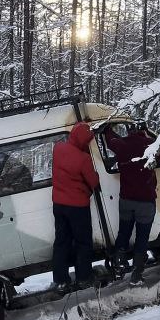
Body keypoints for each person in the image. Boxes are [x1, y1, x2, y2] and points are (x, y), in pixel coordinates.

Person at [103, 122, 158, 284]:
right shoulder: (150, 145)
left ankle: (119, 266)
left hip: (126, 200)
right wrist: (149, 134)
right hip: (146, 202)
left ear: (129, 131)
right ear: (143, 131)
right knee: (142, 238)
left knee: (123, 233)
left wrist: (107, 130)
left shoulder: (122, 145)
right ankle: (136, 274)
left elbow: (110, 141)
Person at [51, 121, 100, 291]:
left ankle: (61, 280)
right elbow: (93, 181)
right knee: (83, 242)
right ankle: (84, 277)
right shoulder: (83, 159)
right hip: (78, 207)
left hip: (58, 204)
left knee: (61, 242)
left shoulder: (58, 148)